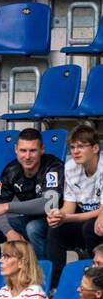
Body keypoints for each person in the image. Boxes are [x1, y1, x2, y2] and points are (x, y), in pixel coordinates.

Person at [0, 127, 65, 264]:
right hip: (29, 219)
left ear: (42, 149)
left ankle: (43, 279)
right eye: (23, 150)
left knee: (33, 228)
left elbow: (49, 204)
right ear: (16, 150)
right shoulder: (11, 170)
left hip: (56, 219)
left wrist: (8, 207)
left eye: (33, 150)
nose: (27, 156)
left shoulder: (53, 166)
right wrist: (9, 232)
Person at [46, 123, 103, 288]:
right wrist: (58, 215)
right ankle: (55, 287)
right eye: (72, 147)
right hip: (88, 219)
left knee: (90, 227)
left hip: (98, 221)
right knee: (55, 228)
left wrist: (69, 217)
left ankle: (95, 281)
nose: (75, 151)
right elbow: (69, 207)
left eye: (81, 146)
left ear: (95, 148)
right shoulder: (70, 167)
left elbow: (101, 211)